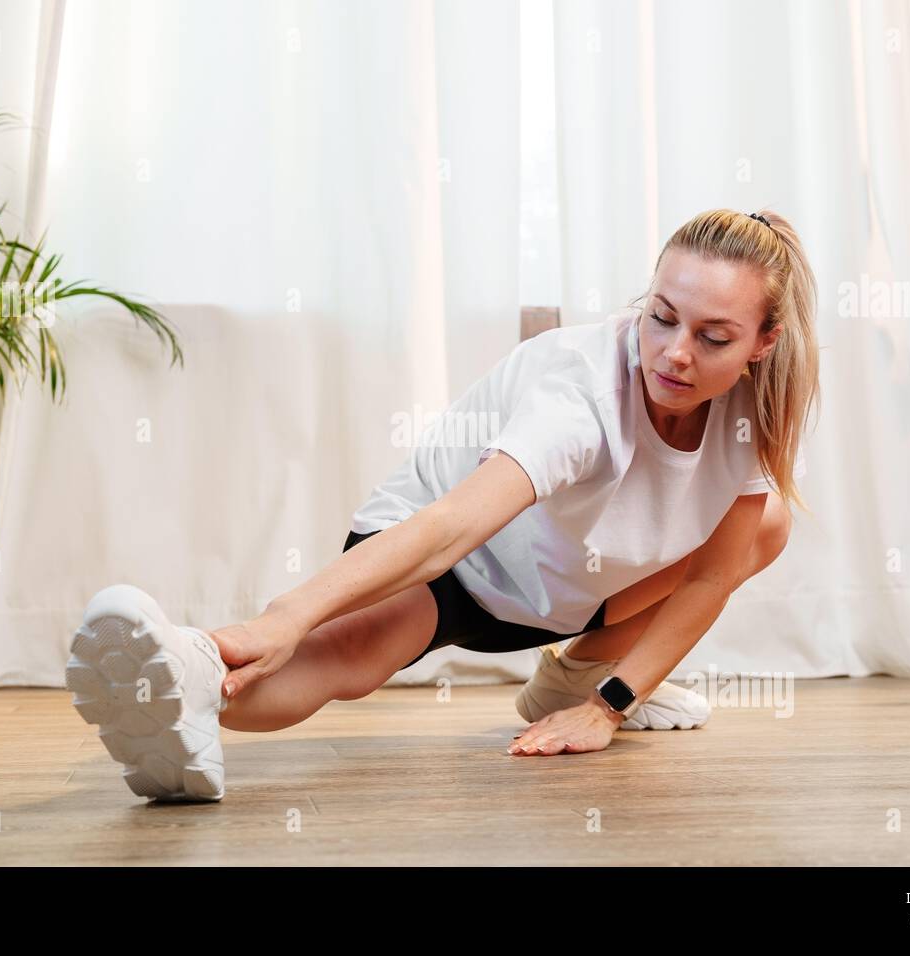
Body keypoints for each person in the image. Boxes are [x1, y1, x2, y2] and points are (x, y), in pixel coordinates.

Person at [67, 207, 820, 801]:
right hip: (446, 559)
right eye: (661, 316)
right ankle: (187, 674)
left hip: (560, 598)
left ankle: (575, 678)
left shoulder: (756, 410)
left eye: (712, 336)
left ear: (763, 341)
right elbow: (450, 527)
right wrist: (284, 619)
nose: (675, 353)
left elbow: (711, 580)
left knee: (767, 523)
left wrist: (609, 706)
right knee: (350, 659)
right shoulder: (580, 393)